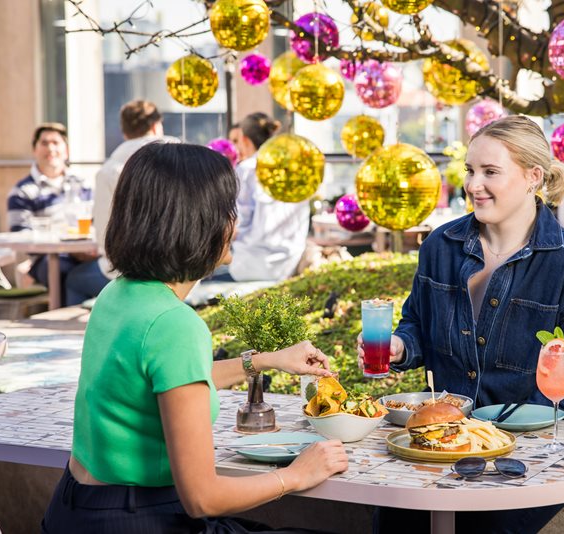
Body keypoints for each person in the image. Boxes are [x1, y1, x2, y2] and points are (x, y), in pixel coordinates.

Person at [42, 143, 348, 532]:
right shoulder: (175, 323)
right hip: (135, 519)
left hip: (75, 509)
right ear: (197, 221)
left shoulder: (117, 295)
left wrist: (265, 360)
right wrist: (298, 475)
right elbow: (202, 497)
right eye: (228, 210)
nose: (236, 224)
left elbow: (169, 381)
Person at [358, 116, 564, 534]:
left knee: (484, 525)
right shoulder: (440, 246)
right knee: (394, 518)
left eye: (490, 172)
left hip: (541, 443)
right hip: (450, 438)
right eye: (470, 170)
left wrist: (508, 423)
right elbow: (418, 327)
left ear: (533, 176)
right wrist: (400, 347)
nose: (473, 184)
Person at [64, 100, 175, 306]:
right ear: (155, 126)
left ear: (125, 132)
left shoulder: (109, 170)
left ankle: (83, 333)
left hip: (130, 270)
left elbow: (104, 234)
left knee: (73, 279)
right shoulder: (181, 159)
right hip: (179, 265)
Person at [209, 113, 310, 282]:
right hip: (290, 263)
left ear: (245, 140)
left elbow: (238, 222)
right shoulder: (294, 168)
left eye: (237, 141)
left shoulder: (247, 170)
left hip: (251, 265)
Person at [7, 122, 93, 290]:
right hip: (46, 258)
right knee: (63, 270)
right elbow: (21, 237)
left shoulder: (83, 185)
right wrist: (68, 249)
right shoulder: (21, 191)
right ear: (35, 150)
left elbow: (97, 223)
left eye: (56, 143)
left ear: (66, 151)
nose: (51, 148)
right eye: (45, 143)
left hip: (86, 253)